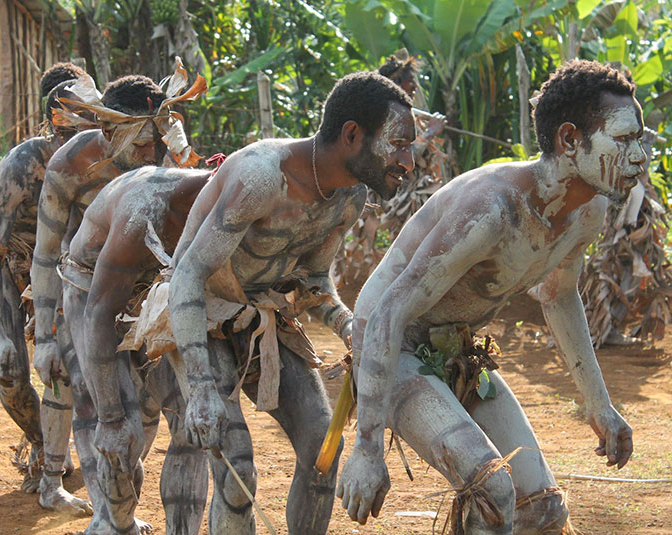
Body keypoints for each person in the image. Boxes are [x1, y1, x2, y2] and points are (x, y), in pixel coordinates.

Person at [338, 59, 642, 534]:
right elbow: (386, 315)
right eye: (623, 140)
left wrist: (599, 406)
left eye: (639, 139)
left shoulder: (588, 211)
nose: (641, 156)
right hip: (389, 346)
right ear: (569, 141)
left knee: (543, 509)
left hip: (456, 349)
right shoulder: (491, 210)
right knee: (493, 489)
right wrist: (367, 449)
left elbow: (559, 297)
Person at [164, 71, 415, 534]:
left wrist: (348, 326)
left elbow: (313, 280)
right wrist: (199, 385)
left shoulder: (349, 196)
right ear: (352, 135)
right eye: (399, 144)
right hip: (199, 315)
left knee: (324, 447)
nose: (409, 162)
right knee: (237, 469)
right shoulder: (263, 176)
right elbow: (188, 274)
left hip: (265, 317)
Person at [31, 74, 168, 535]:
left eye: (159, 142)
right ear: (110, 133)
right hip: (80, 293)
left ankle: (117, 504)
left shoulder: (167, 156)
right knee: (95, 401)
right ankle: (109, 520)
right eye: (143, 144)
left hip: (145, 294)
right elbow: (46, 253)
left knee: (146, 409)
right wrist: (46, 334)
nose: (153, 154)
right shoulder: (70, 165)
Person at [61, 165, 211, 535]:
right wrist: (110, 417)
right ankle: (115, 524)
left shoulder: (226, 205)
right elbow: (100, 310)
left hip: (157, 295)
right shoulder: (143, 209)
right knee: (120, 433)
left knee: (190, 425)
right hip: (92, 297)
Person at [0, 61, 92, 515]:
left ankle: (66, 456)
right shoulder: (24, 164)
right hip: (14, 267)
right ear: (54, 127)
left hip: (67, 271)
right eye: (71, 133)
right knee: (8, 371)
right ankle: (43, 443)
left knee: (63, 363)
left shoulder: (104, 160)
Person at [337, 52, 447, 285]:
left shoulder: (406, 116)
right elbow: (398, 158)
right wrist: (430, 133)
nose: (415, 88)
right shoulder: (384, 118)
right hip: (389, 203)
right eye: (410, 86)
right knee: (388, 259)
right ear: (394, 86)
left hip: (410, 200)